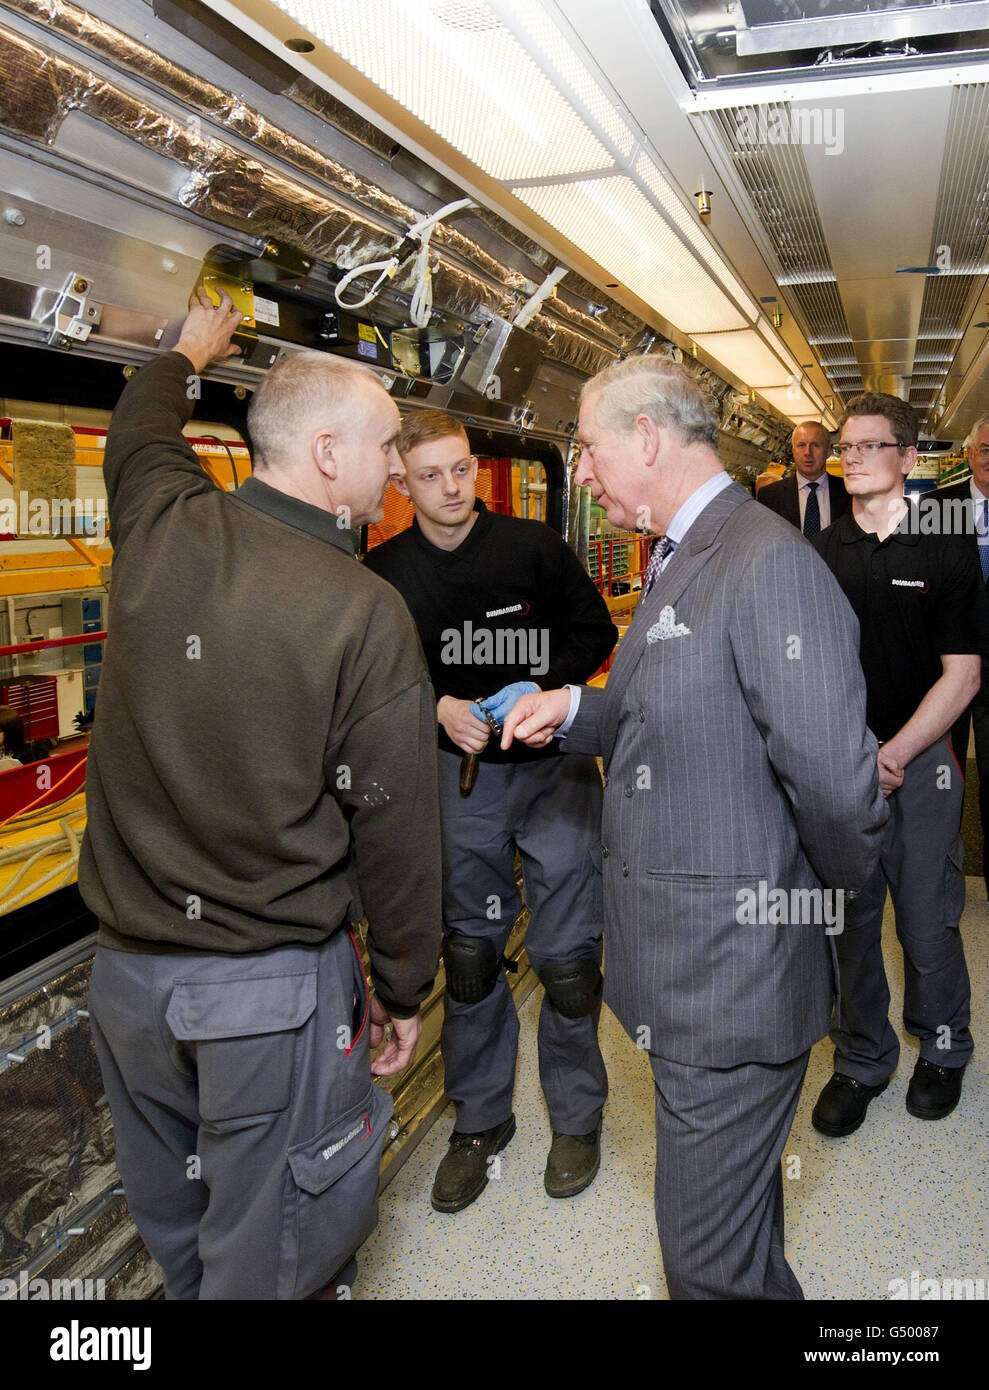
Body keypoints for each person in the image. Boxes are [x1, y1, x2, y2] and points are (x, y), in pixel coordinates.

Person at [80, 288, 443, 1300]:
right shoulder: (366, 613)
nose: (395, 467)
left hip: (128, 989)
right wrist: (406, 988)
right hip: (265, 996)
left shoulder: (157, 520)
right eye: (383, 444)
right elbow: (398, 832)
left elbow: (140, 428)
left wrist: (188, 351)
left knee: (185, 1236)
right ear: (327, 455)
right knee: (276, 1252)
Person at [502, 355, 887, 1300]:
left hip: (731, 979)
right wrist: (570, 708)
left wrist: (818, 915)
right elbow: (681, 711)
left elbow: (837, 793)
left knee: (706, 1271)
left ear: (644, 436)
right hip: (698, 976)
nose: (580, 472)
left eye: (587, 449)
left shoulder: (764, 566)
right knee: (742, 1243)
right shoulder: (683, 555)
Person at [364, 410, 617, 1212]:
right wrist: (437, 706)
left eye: (460, 469)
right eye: (429, 475)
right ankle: (480, 1121)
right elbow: (376, 683)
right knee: (469, 958)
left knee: (568, 962)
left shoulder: (531, 547)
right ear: (400, 482)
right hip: (460, 779)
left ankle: (577, 1118)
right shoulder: (383, 573)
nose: (450, 488)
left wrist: (546, 691)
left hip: (554, 776)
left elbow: (594, 631)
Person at [810, 393, 981, 1135]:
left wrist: (894, 753)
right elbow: (805, 669)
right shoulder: (821, 550)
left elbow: (963, 673)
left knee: (924, 917)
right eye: (845, 447)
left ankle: (942, 1048)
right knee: (847, 918)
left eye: (868, 447)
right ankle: (860, 1056)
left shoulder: (943, 547)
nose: (850, 458)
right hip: (842, 765)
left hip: (925, 761)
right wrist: (846, 754)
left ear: (908, 460)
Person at [939, 414, 989, 899]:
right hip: (948, 667)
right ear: (971, 454)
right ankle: (944, 878)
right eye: (987, 450)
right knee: (944, 777)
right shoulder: (937, 509)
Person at [757, 421, 850, 536]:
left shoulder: (849, 493)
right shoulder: (770, 495)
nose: (807, 452)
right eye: (801, 445)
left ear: (828, 451)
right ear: (793, 451)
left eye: (815, 445)